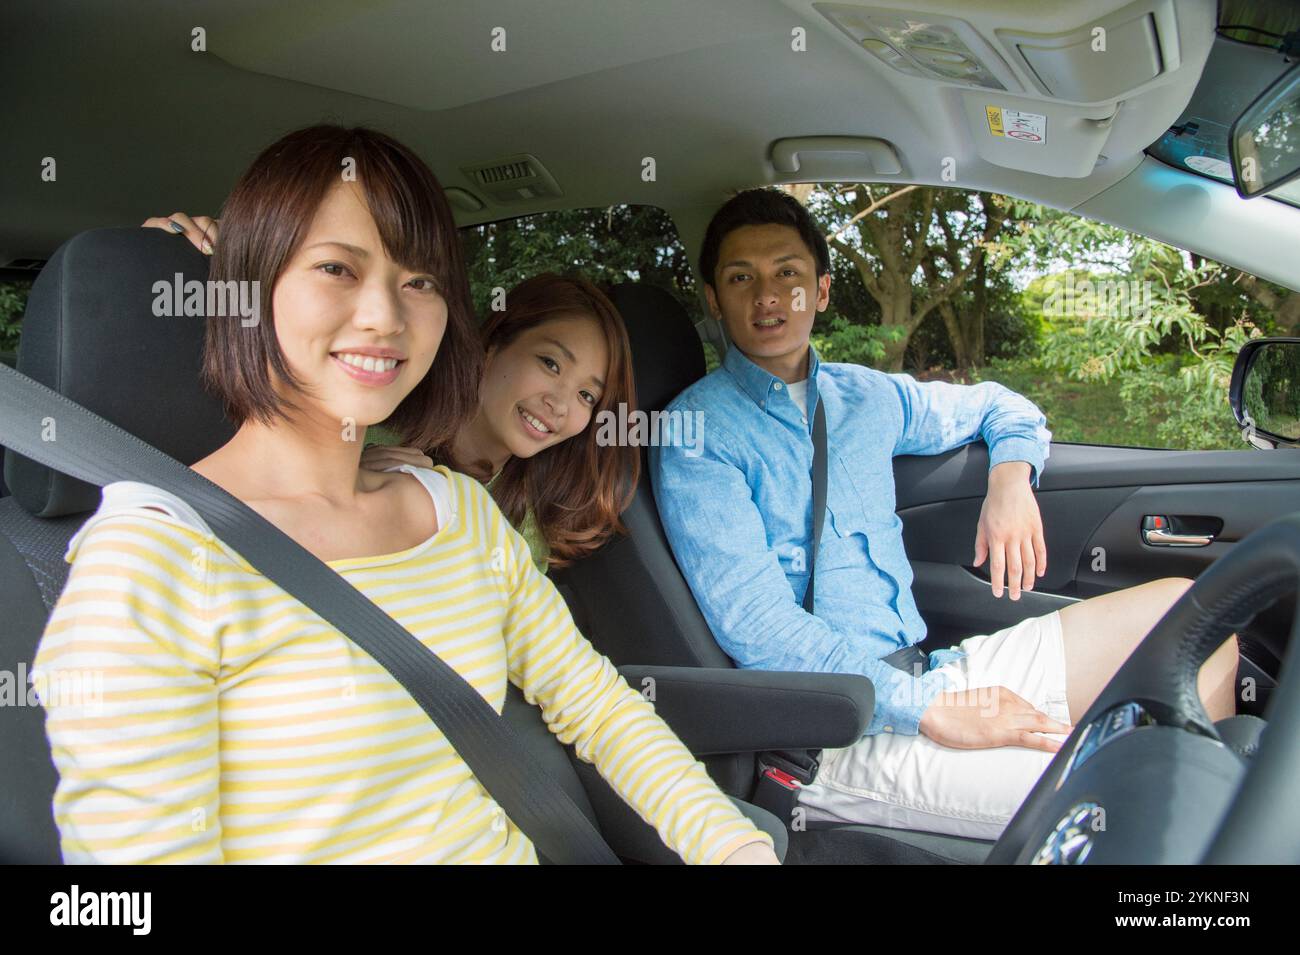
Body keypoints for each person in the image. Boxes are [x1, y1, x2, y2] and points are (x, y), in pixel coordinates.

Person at [36, 125, 778, 864]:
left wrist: (730, 844)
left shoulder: (460, 511)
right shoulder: (151, 560)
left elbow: (596, 703)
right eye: (335, 268)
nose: (385, 317)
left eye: (419, 281)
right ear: (247, 290)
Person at [650, 187, 1239, 841]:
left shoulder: (864, 394)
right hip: (834, 729)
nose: (766, 295)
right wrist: (928, 708)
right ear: (713, 299)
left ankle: (1188, 810)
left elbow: (1002, 405)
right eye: (742, 277)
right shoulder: (695, 432)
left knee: (1199, 620)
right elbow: (758, 627)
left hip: (934, 667)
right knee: (1134, 794)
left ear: (819, 290)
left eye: (786, 272)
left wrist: (1010, 481)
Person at [149, 209, 636, 578]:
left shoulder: (523, 520)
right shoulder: (362, 414)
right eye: (549, 364)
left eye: (588, 398)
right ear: (491, 347)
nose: (560, 404)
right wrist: (184, 261)